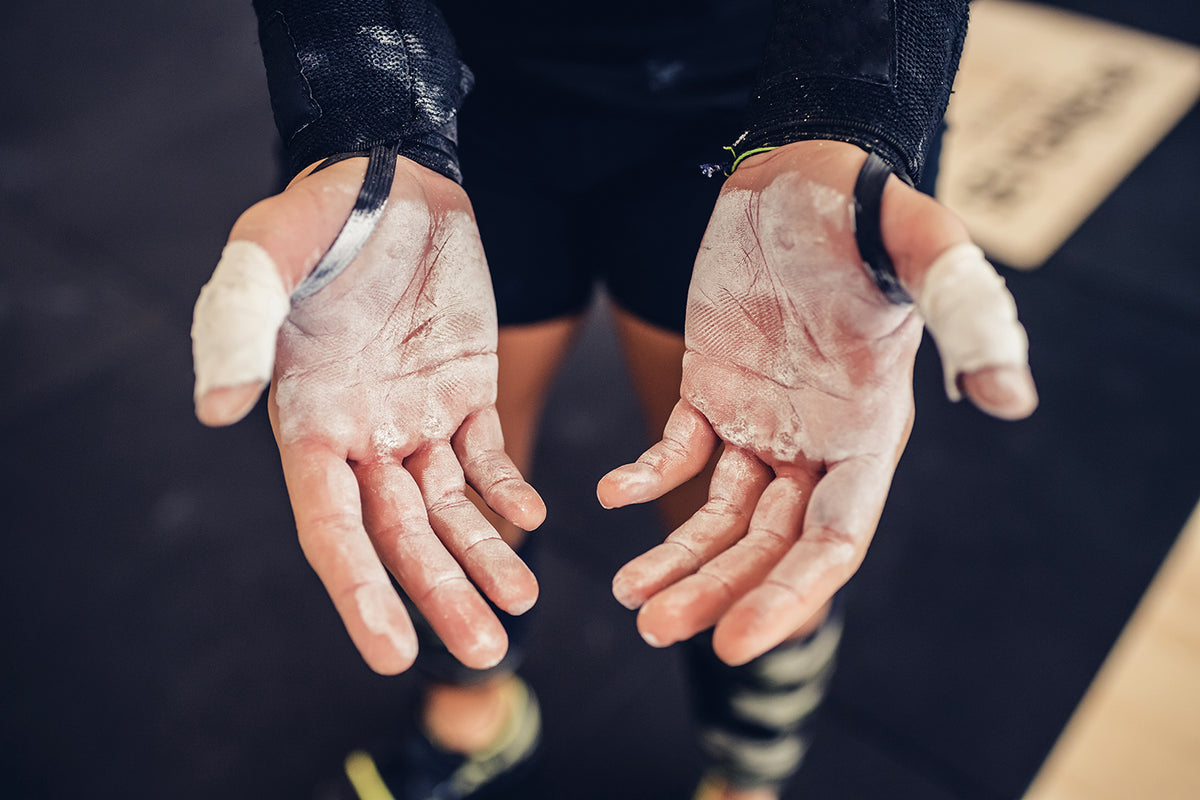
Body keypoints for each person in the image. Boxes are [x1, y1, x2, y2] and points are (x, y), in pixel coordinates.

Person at [191, 1, 1037, 798]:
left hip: (769, 89)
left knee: (760, 489)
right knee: (435, 452)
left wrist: (852, 107)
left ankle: (748, 771)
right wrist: (362, 107)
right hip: (450, 73)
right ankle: (474, 713)